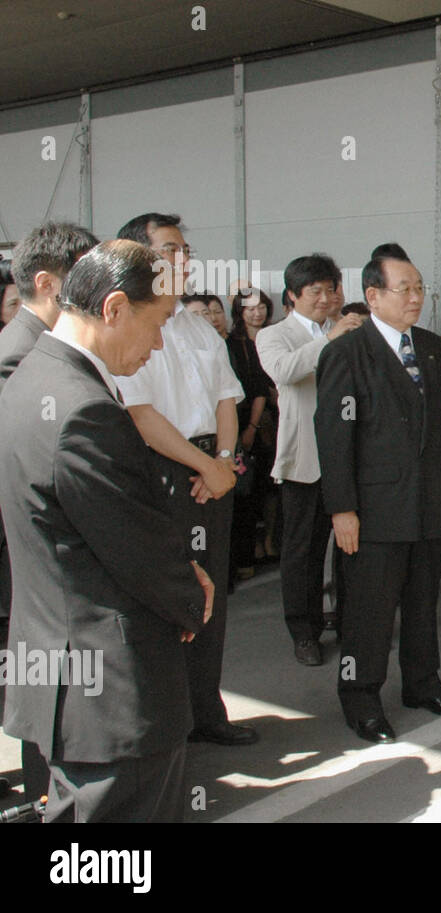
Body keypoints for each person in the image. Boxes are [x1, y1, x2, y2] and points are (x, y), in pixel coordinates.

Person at [0, 239, 214, 821]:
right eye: (159, 323)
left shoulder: (30, 377)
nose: (160, 343)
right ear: (115, 309)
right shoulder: (84, 409)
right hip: (114, 687)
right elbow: (134, 546)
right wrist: (190, 597)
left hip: (63, 670)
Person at [114, 213, 256, 749]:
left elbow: (227, 398)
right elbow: (141, 414)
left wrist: (222, 460)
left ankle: (206, 711)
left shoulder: (198, 325)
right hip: (163, 471)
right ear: (138, 255)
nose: (183, 259)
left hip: (212, 470)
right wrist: (204, 467)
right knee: (170, 596)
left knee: (210, 594)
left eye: (185, 249)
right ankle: (166, 721)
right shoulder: (129, 321)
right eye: (170, 249)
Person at [316, 254, 441, 742]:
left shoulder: (428, 347)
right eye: (405, 289)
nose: (416, 298)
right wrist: (342, 509)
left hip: (427, 503)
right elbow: (334, 437)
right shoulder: (346, 352)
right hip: (374, 508)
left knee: (423, 602)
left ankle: (423, 683)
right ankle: (360, 698)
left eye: (420, 287)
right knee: (368, 611)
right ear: (373, 295)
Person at [0, 220, 98, 801]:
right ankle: (50, 797)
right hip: (28, 547)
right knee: (44, 664)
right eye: (83, 279)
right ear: (47, 283)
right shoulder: (21, 357)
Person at [256, 254, 365, 665]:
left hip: (350, 457)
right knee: (302, 552)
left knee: (351, 545)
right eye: (315, 291)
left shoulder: (349, 329)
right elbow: (285, 372)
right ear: (292, 295)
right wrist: (332, 338)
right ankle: (304, 631)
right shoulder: (274, 335)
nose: (325, 298)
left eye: (331, 289)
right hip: (306, 461)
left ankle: (349, 618)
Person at [227, 288, 276, 582]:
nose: (256, 313)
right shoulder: (233, 344)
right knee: (247, 488)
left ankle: (269, 540)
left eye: (261, 307)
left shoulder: (274, 336)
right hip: (245, 421)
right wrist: (250, 427)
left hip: (275, 421)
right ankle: (250, 549)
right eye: (249, 308)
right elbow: (253, 387)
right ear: (240, 312)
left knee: (271, 486)